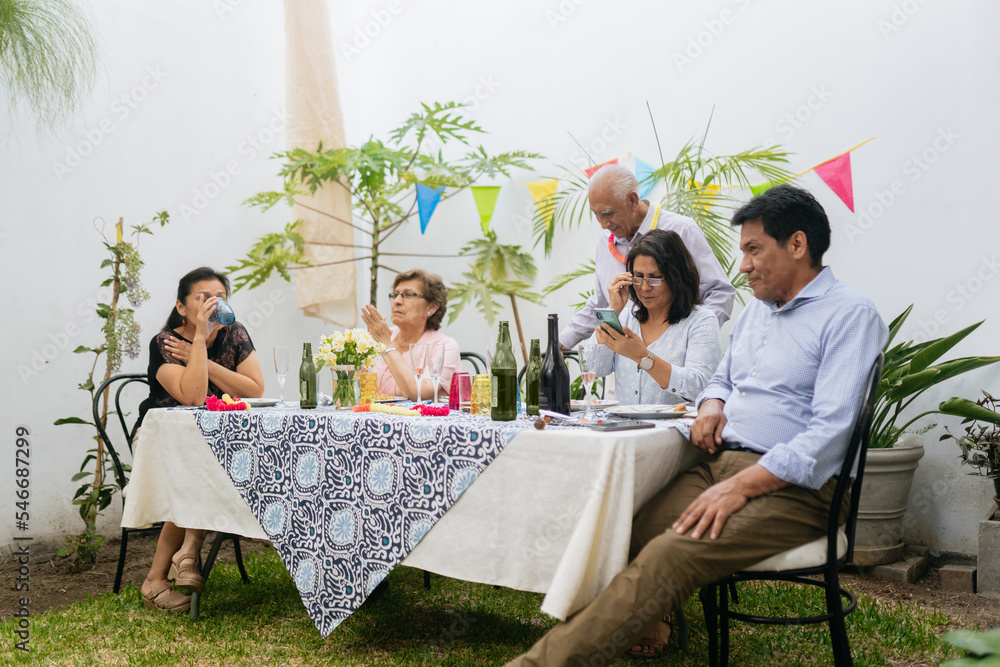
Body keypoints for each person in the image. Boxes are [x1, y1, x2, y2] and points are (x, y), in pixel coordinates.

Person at [508, 184, 887, 665]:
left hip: (801, 489)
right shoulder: (758, 315)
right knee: (618, 528)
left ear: (797, 244)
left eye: (753, 249)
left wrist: (742, 486)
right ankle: (620, 633)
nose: (743, 265)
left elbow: (830, 433)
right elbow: (721, 380)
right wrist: (711, 405)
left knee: (673, 553)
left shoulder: (849, 314)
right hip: (722, 462)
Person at [137, 267, 264, 613]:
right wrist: (196, 341)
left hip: (214, 440)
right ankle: (163, 573)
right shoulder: (166, 342)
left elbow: (255, 388)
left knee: (215, 463)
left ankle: (186, 555)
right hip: (163, 439)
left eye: (219, 296)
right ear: (182, 307)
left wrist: (205, 360)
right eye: (203, 297)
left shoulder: (234, 333)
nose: (213, 303)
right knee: (198, 468)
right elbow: (192, 396)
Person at [559, 164, 736, 348]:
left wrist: (690, 338)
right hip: (624, 364)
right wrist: (561, 342)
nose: (603, 224)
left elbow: (720, 293)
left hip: (676, 362)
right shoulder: (606, 241)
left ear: (633, 200)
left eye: (607, 213)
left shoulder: (681, 229)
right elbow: (602, 303)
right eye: (596, 214)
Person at [591, 229, 722, 406]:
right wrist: (613, 308)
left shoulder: (701, 321)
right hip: (625, 431)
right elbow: (593, 368)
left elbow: (699, 386)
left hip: (673, 432)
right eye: (638, 277)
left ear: (676, 277)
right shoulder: (626, 320)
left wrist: (643, 357)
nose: (644, 287)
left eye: (655, 278)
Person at [360, 269, 461, 402]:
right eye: (395, 294)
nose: (397, 301)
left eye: (408, 295)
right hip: (373, 420)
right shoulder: (380, 336)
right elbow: (358, 393)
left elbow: (417, 394)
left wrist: (386, 345)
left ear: (432, 307)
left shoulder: (444, 346)